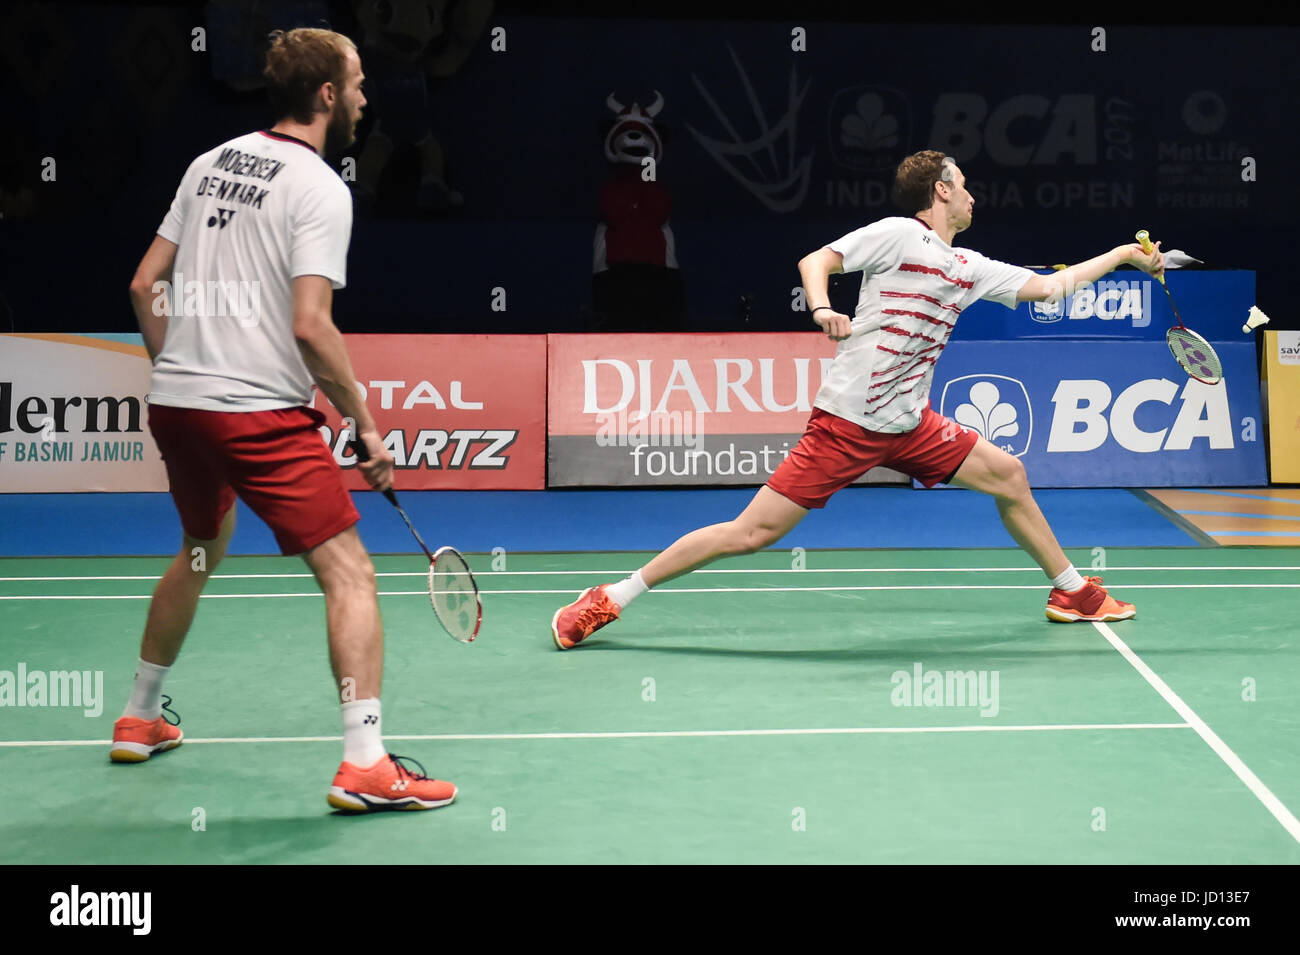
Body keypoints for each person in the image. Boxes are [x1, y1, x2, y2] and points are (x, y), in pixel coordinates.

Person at [552, 149, 1164, 649]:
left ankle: (1071, 590)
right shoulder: (899, 234)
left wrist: (1121, 256)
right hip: (847, 422)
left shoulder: (970, 266)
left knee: (1008, 474)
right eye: (965, 184)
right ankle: (609, 597)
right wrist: (822, 308)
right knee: (751, 533)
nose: (974, 195)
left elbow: (1050, 287)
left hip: (909, 423)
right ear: (941, 190)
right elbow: (817, 258)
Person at [112, 27, 456, 813]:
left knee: (200, 549)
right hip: (256, 413)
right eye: (359, 81)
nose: (368, 97)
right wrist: (366, 422)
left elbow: (142, 285)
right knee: (351, 574)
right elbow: (311, 325)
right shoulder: (320, 187)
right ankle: (366, 762)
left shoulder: (209, 163)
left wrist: (176, 367)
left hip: (179, 405)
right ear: (328, 94)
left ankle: (139, 713)